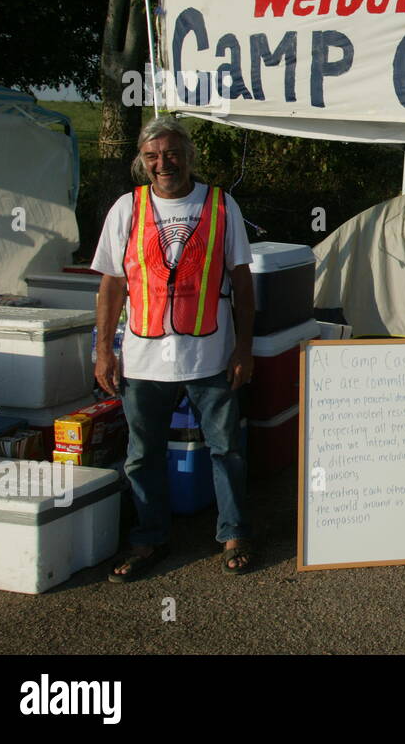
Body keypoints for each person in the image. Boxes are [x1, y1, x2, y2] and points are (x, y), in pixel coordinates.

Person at [92, 116, 255, 581]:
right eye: (152, 156)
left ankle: (235, 533)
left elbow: (243, 286)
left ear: (188, 155)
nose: (163, 163)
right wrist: (105, 350)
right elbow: (110, 286)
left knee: (226, 449)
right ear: (142, 163)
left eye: (171, 153)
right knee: (143, 455)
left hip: (211, 357)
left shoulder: (223, 207)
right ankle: (150, 538)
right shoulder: (127, 208)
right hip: (143, 361)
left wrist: (244, 348)